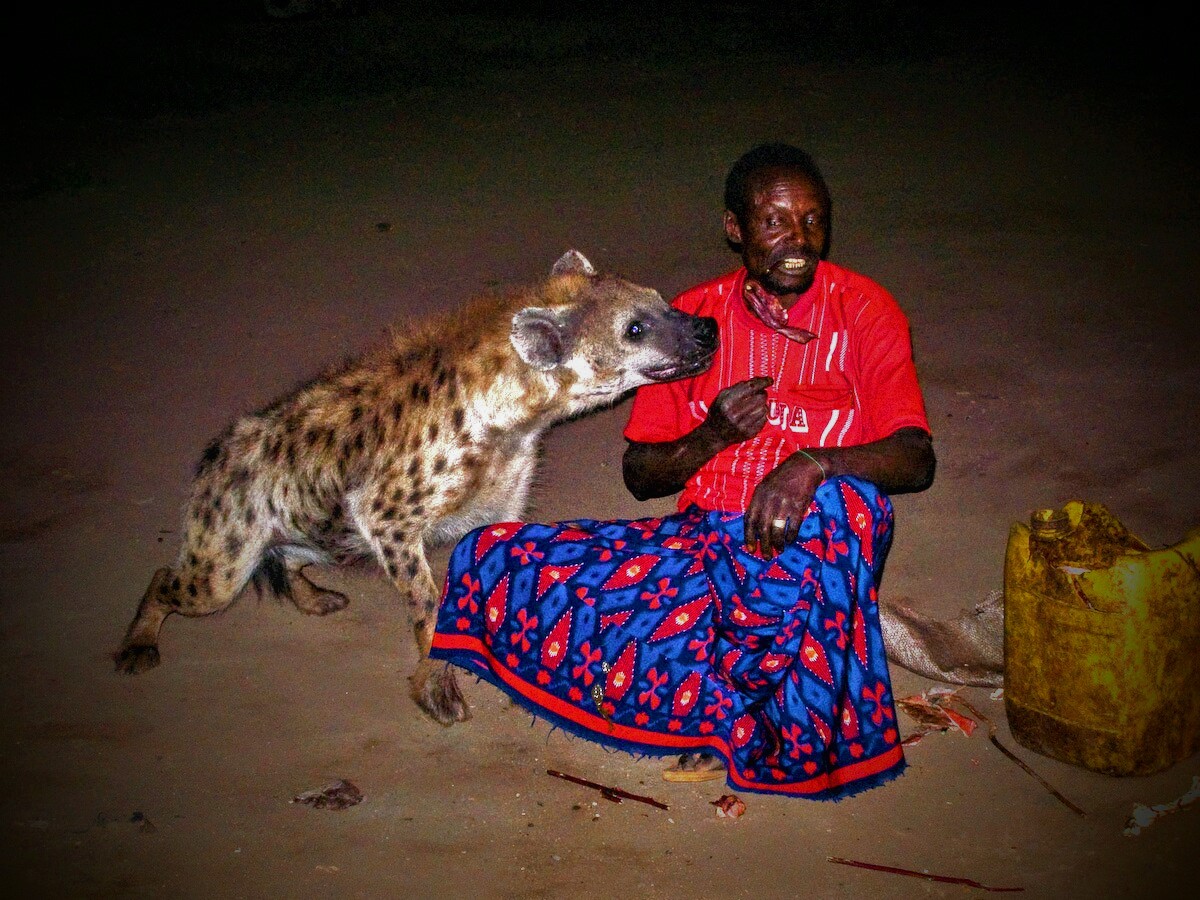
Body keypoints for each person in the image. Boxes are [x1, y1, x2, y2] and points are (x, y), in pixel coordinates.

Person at [430, 143, 936, 799]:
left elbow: (915, 457)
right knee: (495, 557)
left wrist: (811, 464)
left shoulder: (864, 310)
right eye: (775, 221)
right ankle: (730, 685)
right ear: (736, 228)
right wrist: (715, 435)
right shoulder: (693, 321)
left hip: (815, 535)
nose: (798, 241)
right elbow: (642, 475)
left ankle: (759, 711)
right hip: (706, 542)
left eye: (813, 220)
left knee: (843, 509)